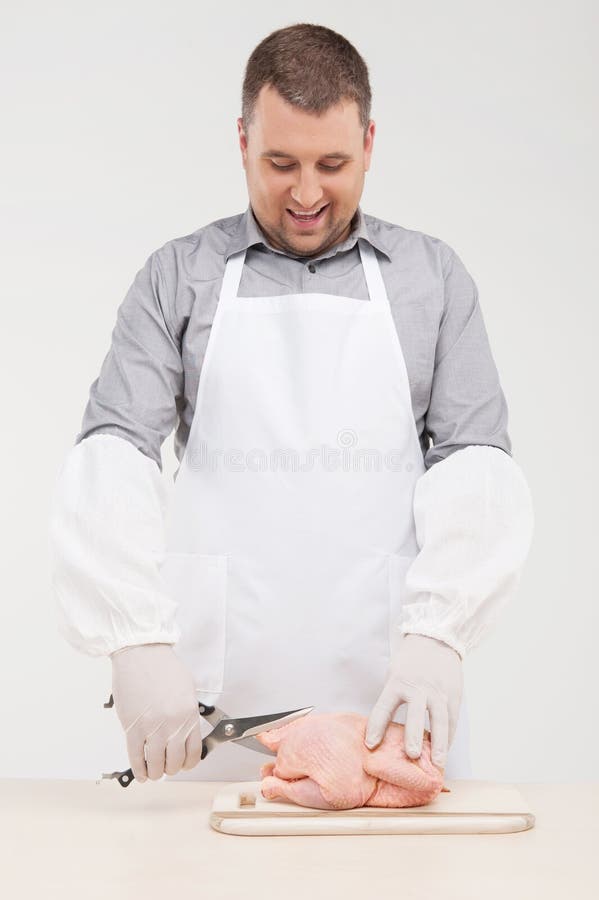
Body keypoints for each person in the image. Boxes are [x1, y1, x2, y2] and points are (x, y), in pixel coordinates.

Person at [49, 23, 534, 785]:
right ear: (240, 141)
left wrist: (442, 634)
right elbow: (115, 451)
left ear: (369, 142)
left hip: (389, 701)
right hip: (218, 716)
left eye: (332, 164)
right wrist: (134, 641)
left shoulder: (430, 279)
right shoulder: (178, 277)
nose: (306, 194)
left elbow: (474, 459)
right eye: (280, 163)